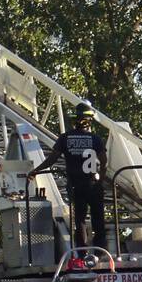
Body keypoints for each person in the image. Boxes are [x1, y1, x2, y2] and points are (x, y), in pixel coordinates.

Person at [29, 102, 108, 249]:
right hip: (93, 184)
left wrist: (36, 170)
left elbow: (52, 159)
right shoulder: (96, 139)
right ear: (89, 120)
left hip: (76, 185)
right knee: (99, 219)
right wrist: (100, 181)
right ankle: (101, 250)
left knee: (80, 219)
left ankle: (82, 250)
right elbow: (104, 162)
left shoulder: (65, 138)